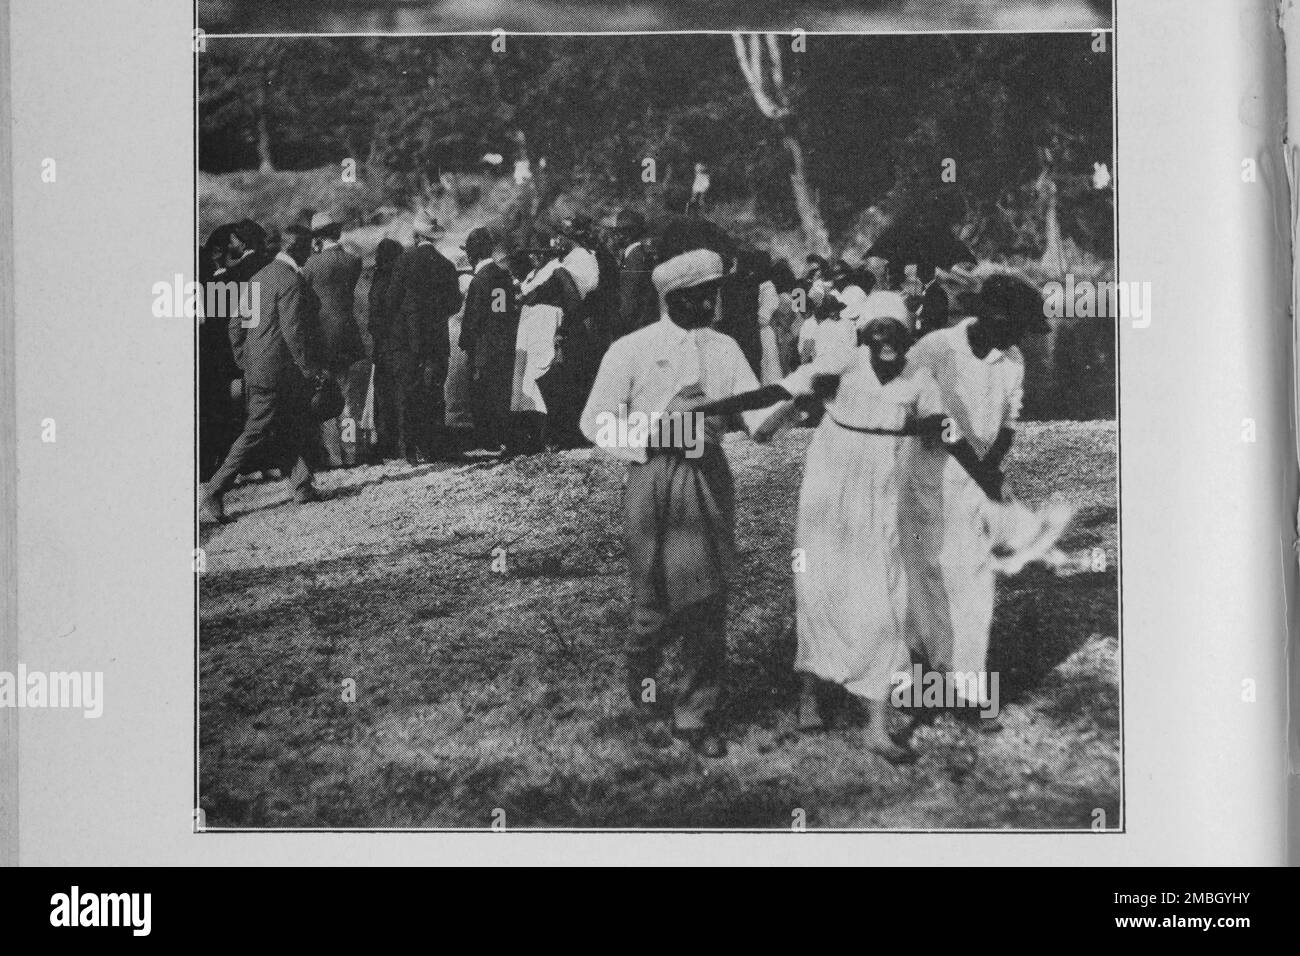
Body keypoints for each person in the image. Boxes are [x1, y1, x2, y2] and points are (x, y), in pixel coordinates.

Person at [687, 310, 943, 763]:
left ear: (909, 336)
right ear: (863, 335)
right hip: (831, 483)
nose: (887, 340)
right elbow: (780, 391)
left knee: (885, 593)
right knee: (819, 582)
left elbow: (942, 429)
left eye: (897, 331)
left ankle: (877, 726)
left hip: (884, 492)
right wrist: (714, 410)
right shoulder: (842, 365)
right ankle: (810, 692)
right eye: (877, 330)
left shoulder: (920, 377)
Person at [579, 247, 774, 759]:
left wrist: (795, 399)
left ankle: (696, 713)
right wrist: (658, 434)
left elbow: (757, 419)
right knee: (655, 602)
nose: (715, 302)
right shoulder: (631, 350)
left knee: (706, 598)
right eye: (705, 294)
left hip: (707, 477)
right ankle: (640, 663)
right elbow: (593, 421)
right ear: (676, 298)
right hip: (652, 478)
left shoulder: (725, 349)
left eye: (716, 292)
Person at [898, 273, 1053, 712]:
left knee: (975, 584)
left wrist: (992, 468)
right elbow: (928, 415)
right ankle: (924, 682)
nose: (1016, 338)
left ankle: (967, 690)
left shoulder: (1013, 359)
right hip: (929, 478)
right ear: (989, 316)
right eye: (1012, 327)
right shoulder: (935, 349)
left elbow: (1009, 420)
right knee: (926, 578)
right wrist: (982, 471)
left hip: (977, 483)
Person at [200, 225, 324, 523]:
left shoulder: (260, 277)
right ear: (299, 249)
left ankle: (301, 484)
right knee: (257, 430)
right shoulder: (290, 280)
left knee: (282, 422)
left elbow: (235, 324)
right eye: (308, 247)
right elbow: (293, 331)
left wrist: (244, 358)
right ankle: (214, 490)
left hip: (257, 368)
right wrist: (310, 369)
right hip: (276, 370)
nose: (310, 253)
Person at [382, 212, 463, 462]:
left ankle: (411, 449)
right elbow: (455, 303)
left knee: (411, 393)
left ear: (416, 236)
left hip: (409, 341)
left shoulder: (404, 262)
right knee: (435, 393)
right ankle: (433, 447)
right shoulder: (446, 266)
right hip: (437, 338)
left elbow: (391, 301)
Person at [303, 212, 366, 467]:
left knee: (325, 398)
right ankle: (352, 452)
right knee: (349, 398)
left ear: (317, 238)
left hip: (322, 339)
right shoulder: (353, 261)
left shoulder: (310, 266)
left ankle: (334, 455)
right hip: (348, 336)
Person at [458, 227, 518, 453]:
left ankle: (489, 441)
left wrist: (465, 342)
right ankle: (504, 439)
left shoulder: (479, 281)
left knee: (481, 393)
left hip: (483, 348)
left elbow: (472, 319)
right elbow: (508, 311)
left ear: (472, 255)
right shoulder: (504, 276)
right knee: (501, 392)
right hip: (504, 343)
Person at [507, 250, 559, 455]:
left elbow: (536, 294)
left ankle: (544, 436)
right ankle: (528, 436)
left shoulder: (552, 270)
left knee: (536, 374)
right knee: (523, 380)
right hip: (529, 322)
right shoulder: (530, 275)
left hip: (541, 320)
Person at [366, 237, 405, 461]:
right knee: (401, 394)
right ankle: (402, 444)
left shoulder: (378, 279)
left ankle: (385, 445)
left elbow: (373, 318)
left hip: (382, 346)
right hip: (400, 344)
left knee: (383, 396)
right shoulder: (402, 277)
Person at [610, 208, 659, 339]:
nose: (617, 236)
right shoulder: (641, 253)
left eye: (621, 232)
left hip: (635, 329)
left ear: (631, 232)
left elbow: (629, 299)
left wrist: (619, 329)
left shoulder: (634, 256)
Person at [912, 262, 950, 337]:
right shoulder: (926, 288)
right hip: (924, 328)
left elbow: (937, 315)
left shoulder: (938, 292)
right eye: (918, 273)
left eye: (920, 273)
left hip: (931, 331)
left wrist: (919, 314)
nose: (918, 276)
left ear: (930, 274)